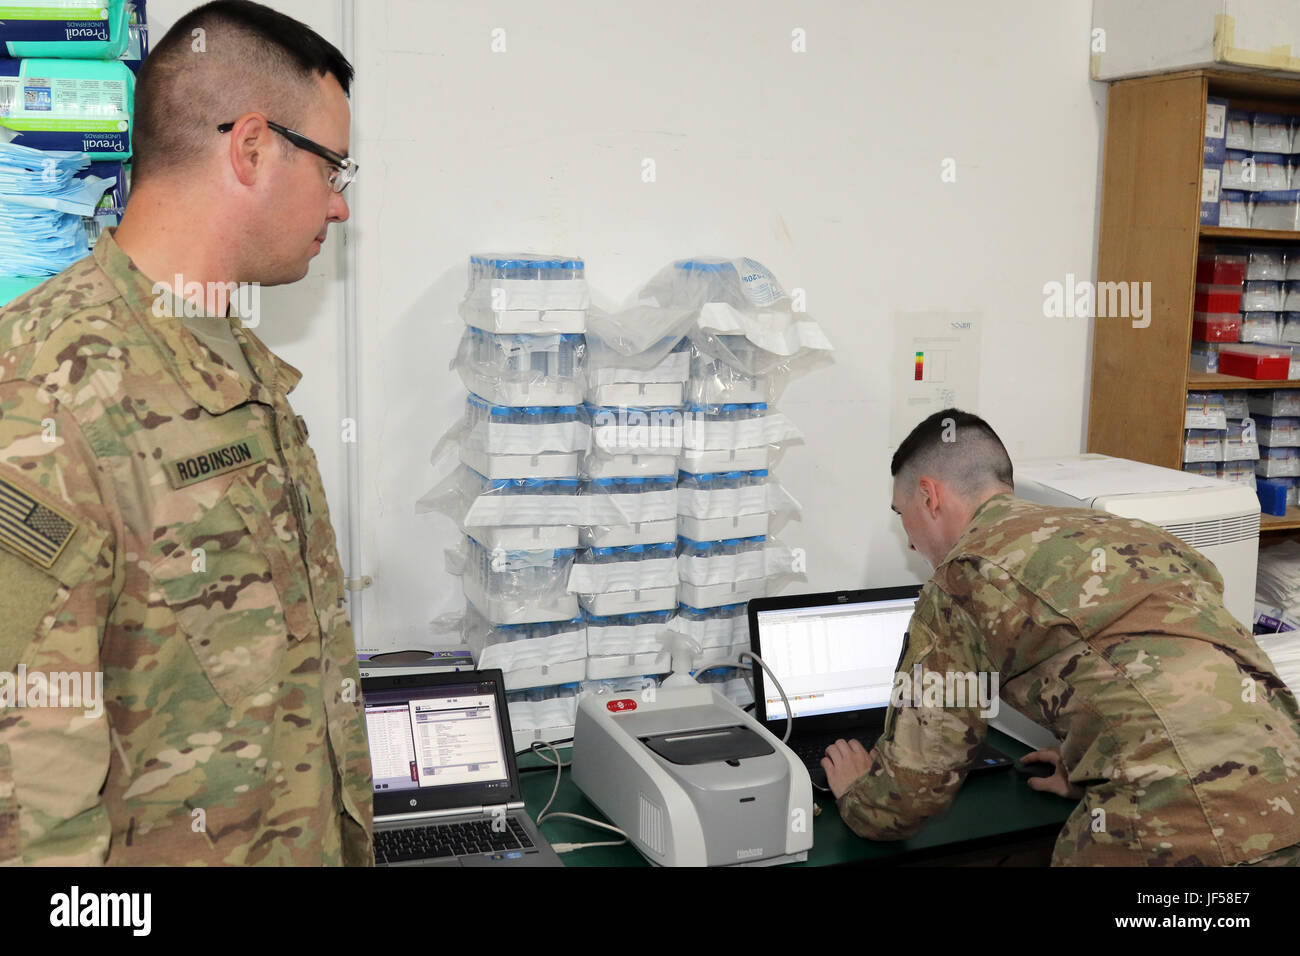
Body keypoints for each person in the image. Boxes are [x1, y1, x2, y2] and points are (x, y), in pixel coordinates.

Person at [0, 0, 371, 864]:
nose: (340, 206)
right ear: (250, 148)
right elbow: (27, 807)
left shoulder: (240, 361)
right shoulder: (45, 391)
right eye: (332, 170)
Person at [822, 408, 1300, 865]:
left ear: (929, 496)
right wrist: (1095, 755)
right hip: (1286, 785)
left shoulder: (965, 578)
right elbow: (1164, 668)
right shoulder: (1139, 536)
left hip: (1176, 818)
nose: (907, 539)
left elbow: (913, 788)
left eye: (900, 512)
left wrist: (859, 794)